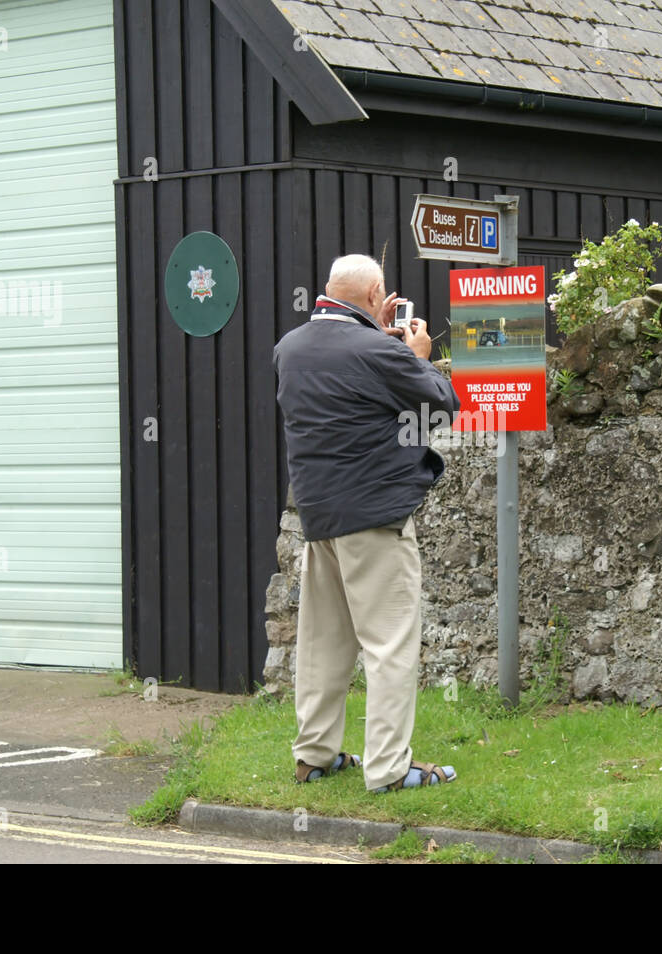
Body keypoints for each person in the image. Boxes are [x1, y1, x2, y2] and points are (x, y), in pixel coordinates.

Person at [272, 253, 460, 792]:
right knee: (389, 645)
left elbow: (343, 392)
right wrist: (418, 355)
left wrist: (380, 339)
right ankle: (388, 769)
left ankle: (314, 756)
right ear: (377, 296)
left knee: (323, 642)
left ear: (330, 290)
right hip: (375, 516)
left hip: (318, 514)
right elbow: (443, 405)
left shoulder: (290, 348)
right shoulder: (380, 349)